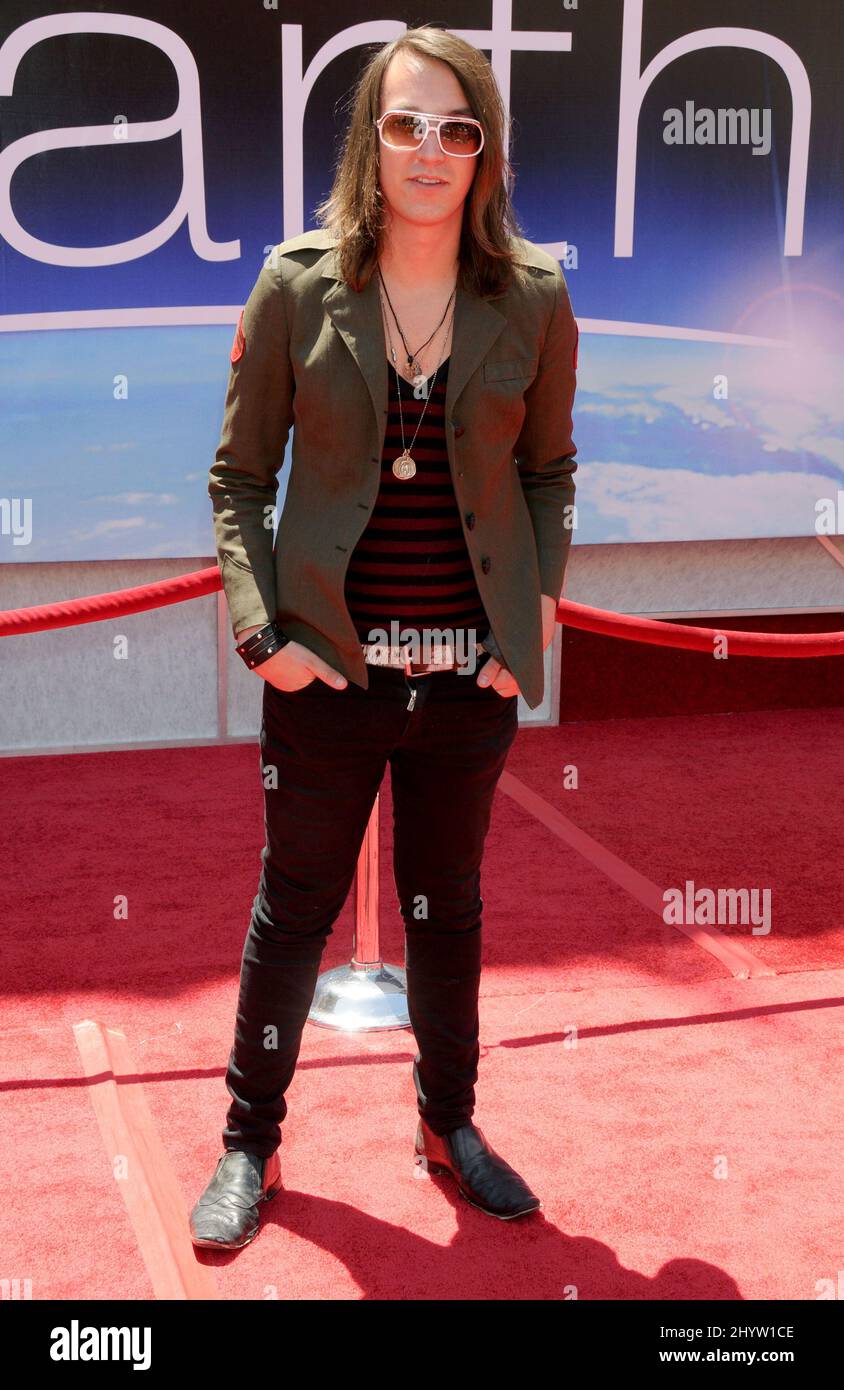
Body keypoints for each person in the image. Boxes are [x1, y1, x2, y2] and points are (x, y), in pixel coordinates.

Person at [190, 24, 579, 1250]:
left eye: (455, 129)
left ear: (484, 155)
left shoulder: (534, 296)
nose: (429, 149)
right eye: (405, 123)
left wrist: (535, 621)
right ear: (371, 137)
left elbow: (549, 474)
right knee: (292, 912)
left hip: (469, 684)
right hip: (329, 677)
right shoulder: (296, 284)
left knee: (447, 909)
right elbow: (237, 479)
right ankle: (249, 1140)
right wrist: (264, 639)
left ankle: (447, 1124)